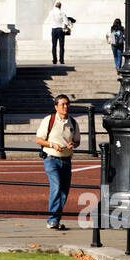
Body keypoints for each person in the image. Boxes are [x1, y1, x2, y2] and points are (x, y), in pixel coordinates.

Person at [35, 94, 81, 229]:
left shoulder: (73, 122)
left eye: (67, 104)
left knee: (64, 190)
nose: (65, 107)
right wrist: (52, 145)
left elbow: (77, 141)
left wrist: (74, 144)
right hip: (51, 158)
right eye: (62, 104)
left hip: (66, 160)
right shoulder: (48, 120)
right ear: (56, 107)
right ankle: (52, 219)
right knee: (57, 186)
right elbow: (38, 139)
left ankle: (55, 219)